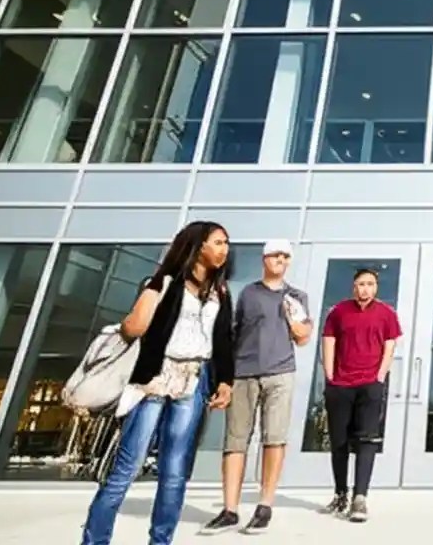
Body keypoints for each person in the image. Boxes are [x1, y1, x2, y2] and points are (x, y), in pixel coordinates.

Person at [80, 221, 236, 545]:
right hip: (153, 380)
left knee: (175, 473)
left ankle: (160, 541)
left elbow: (223, 340)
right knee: (127, 467)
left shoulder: (221, 291)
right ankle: (95, 541)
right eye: (218, 242)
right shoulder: (165, 283)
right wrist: (154, 288)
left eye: (226, 243)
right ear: (198, 245)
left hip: (192, 382)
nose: (225, 249)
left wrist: (225, 382)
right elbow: (134, 328)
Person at [202, 239, 312, 535]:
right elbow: (235, 333)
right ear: (265, 258)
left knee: (274, 438)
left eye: (286, 256)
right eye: (276, 255)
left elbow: (303, 337)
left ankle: (264, 506)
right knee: (235, 440)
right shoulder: (249, 293)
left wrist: (292, 318)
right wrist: (224, 377)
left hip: (280, 374)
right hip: (244, 373)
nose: (281, 260)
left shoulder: (297, 295)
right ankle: (230, 510)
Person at [320, 268, 401, 522]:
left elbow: (390, 346)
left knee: (367, 440)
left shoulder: (387, 314)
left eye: (369, 284)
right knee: (339, 441)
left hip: (370, 384)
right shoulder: (339, 312)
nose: (364, 289)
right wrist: (331, 377)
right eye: (359, 284)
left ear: (375, 287)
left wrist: (380, 377)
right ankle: (340, 493)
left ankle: (360, 497)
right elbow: (328, 342)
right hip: (341, 385)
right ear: (353, 287)